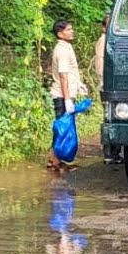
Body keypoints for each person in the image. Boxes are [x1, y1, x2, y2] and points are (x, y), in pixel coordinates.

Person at [48, 19, 87, 170]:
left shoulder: (66, 47)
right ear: (60, 34)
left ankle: (54, 158)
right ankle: (55, 160)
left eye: (71, 29)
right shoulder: (62, 51)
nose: (72, 31)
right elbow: (63, 75)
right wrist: (67, 99)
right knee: (61, 128)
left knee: (62, 127)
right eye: (68, 30)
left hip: (67, 92)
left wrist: (79, 84)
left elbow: (70, 73)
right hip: (62, 94)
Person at [94, 15, 109, 93]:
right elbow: (100, 60)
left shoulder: (109, 40)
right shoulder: (103, 40)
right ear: (104, 28)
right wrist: (102, 79)